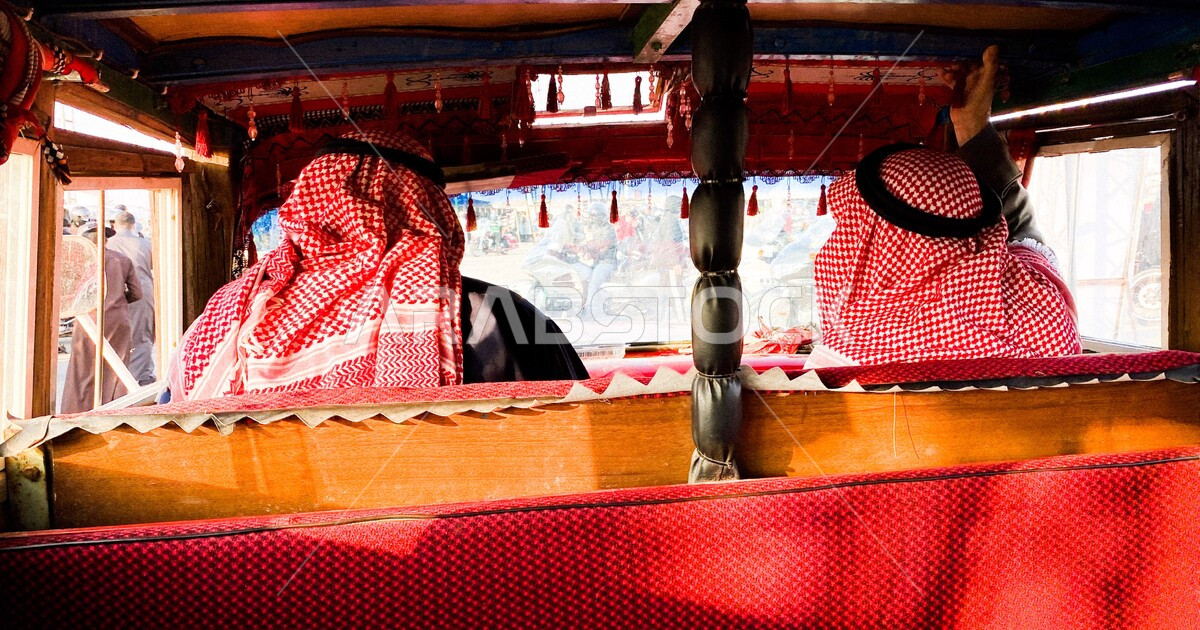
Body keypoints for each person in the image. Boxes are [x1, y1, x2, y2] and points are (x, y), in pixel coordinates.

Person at [166, 130, 585, 402]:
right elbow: (589, 428)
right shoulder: (501, 314)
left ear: (310, 201)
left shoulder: (223, 317)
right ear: (428, 208)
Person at [807, 46, 1081, 368]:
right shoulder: (1047, 324)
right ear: (982, 226)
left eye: (852, 227)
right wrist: (971, 125)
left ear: (878, 240)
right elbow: (1023, 248)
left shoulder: (843, 355)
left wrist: (971, 125)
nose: (843, 241)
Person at [60, 225, 143, 414]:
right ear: (106, 241)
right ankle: (114, 409)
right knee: (116, 367)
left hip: (89, 317)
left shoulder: (83, 262)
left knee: (83, 367)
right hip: (117, 320)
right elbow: (137, 293)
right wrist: (118, 300)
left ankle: (78, 410)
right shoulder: (122, 260)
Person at [107, 209, 156, 385]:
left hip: (115, 294)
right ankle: (141, 376)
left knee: (117, 336)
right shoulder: (145, 244)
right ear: (133, 225)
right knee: (142, 335)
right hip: (143, 292)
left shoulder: (109, 244)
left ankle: (119, 377)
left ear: (115, 225)